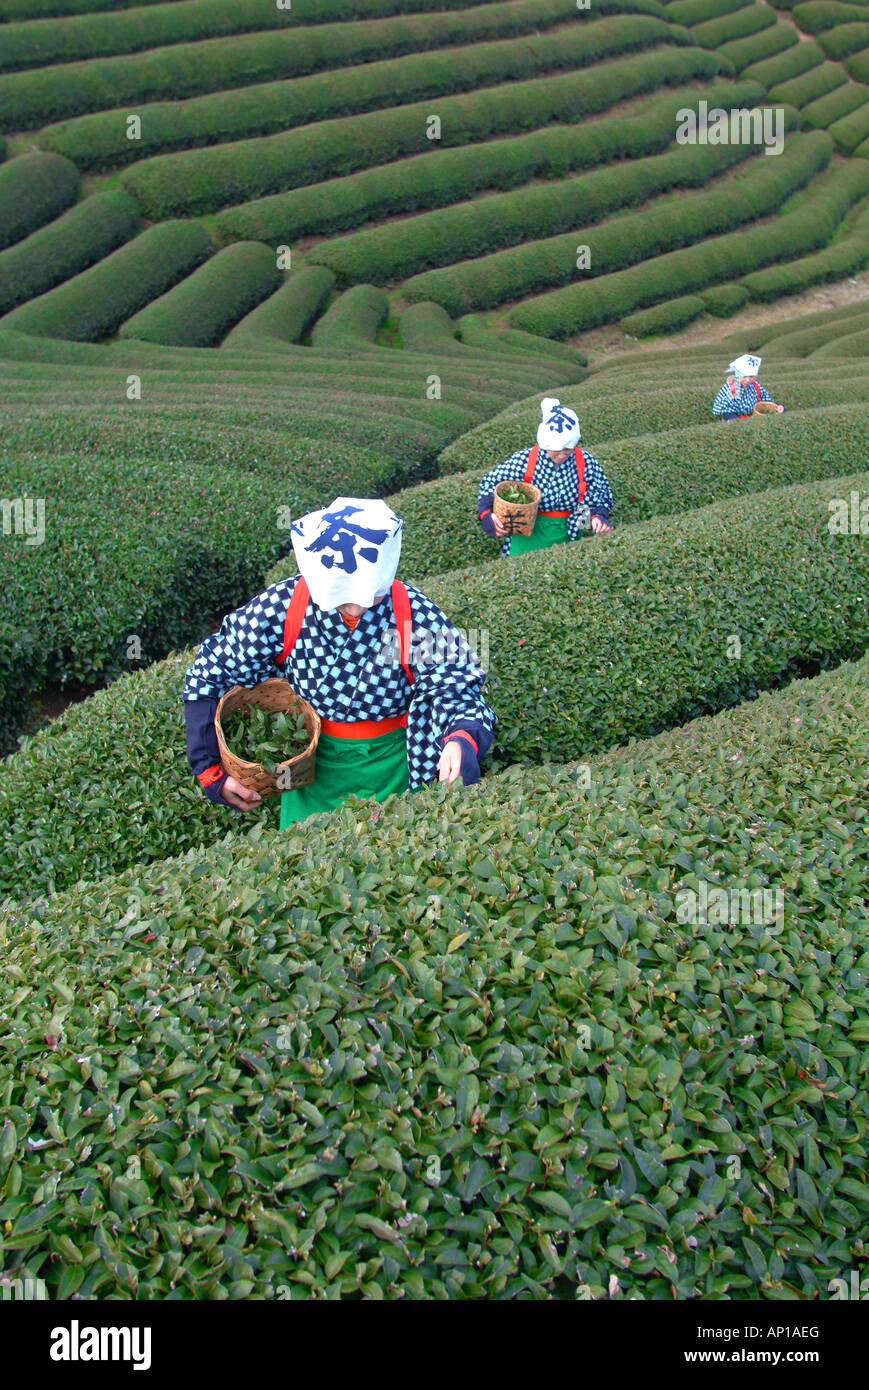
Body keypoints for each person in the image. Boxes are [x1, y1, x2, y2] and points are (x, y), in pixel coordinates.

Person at [182, 497, 495, 827]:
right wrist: (209, 769)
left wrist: (461, 738)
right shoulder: (284, 606)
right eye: (342, 599)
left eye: (368, 596)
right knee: (305, 864)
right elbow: (210, 672)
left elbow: (453, 691)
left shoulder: (411, 613)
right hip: (309, 766)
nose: (357, 609)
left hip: (391, 765)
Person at [477, 396, 614, 556]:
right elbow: (489, 482)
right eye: (556, 450)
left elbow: (600, 493)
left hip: (570, 531)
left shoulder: (585, 460)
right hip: (528, 531)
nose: (562, 455)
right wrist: (486, 514)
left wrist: (598, 516)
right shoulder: (526, 460)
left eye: (567, 449)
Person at [712, 354, 784, 420]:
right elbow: (727, 413)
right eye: (745, 376)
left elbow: (767, 401)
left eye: (751, 376)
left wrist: (778, 407)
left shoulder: (756, 386)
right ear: (738, 375)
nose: (748, 380)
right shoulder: (730, 388)